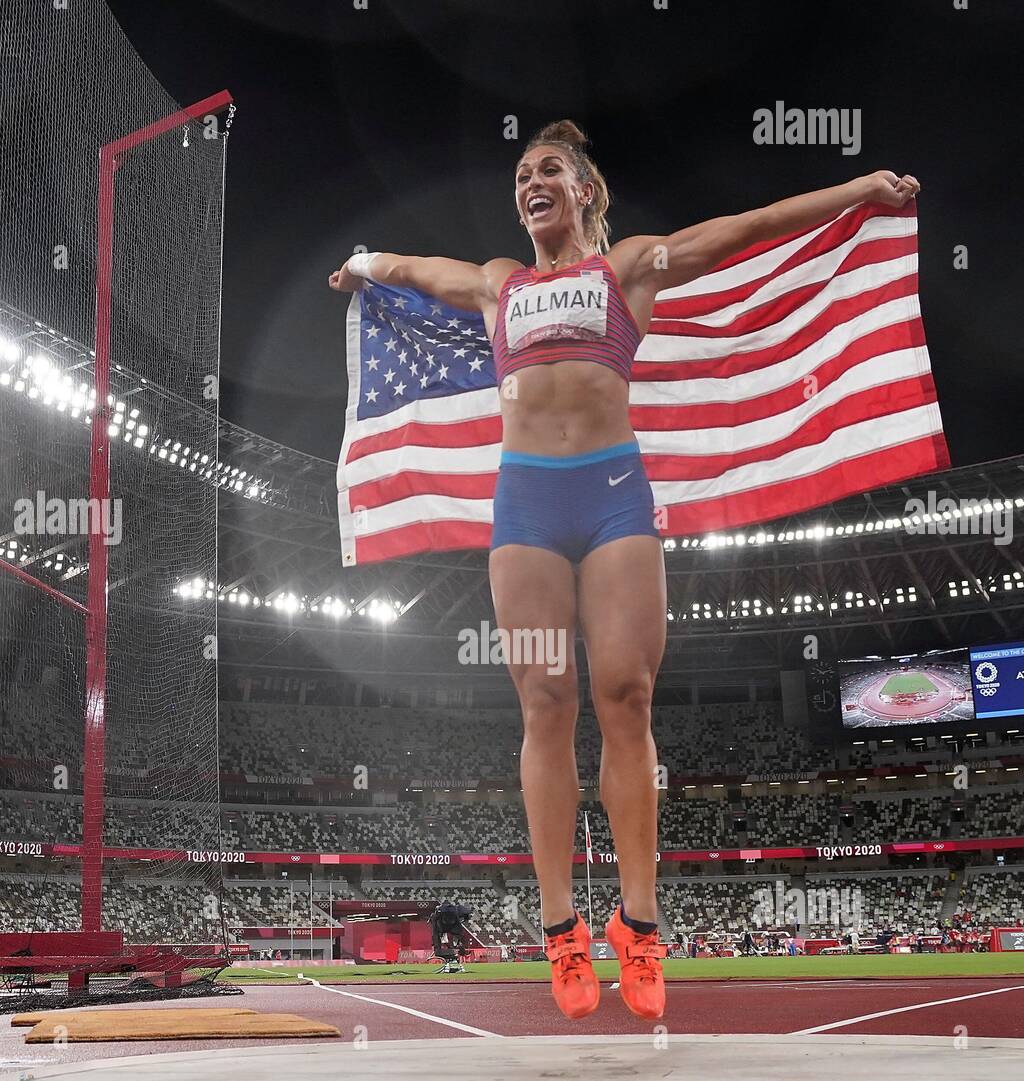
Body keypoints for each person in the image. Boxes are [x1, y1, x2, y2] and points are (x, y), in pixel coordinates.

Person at [329, 120, 920, 1022]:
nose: (533, 181)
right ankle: (561, 929)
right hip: (525, 507)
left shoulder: (630, 268)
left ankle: (638, 925)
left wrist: (855, 192)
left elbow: (748, 226)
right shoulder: (498, 283)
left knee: (626, 692)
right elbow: (416, 270)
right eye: (523, 171)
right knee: (543, 700)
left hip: (612, 499)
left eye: (551, 170)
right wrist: (362, 266)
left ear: (584, 192)